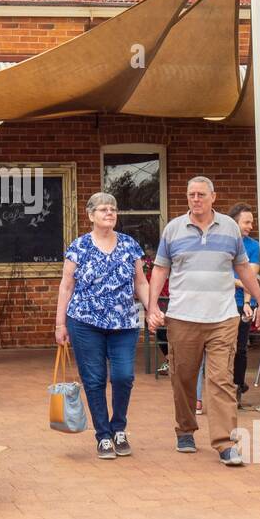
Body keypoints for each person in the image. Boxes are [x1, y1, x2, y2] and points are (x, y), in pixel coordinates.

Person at [147, 176, 260, 465]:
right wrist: (152, 306)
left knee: (222, 380)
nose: (196, 199)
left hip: (223, 317)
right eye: (191, 194)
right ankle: (185, 430)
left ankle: (225, 443)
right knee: (183, 377)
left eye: (201, 194)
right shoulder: (173, 230)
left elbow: (242, 267)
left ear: (213, 197)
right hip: (183, 317)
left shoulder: (229, 228)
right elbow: (160, 270)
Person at [55, 191, 150, 459]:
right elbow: (67, 285)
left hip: (124, 323)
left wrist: (153, 308)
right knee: (94, 378)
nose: (109, 213)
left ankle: (119, 427)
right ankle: (104, 435)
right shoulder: (79, 246)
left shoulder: (130, 245)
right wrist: (60, 323)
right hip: (85, 322)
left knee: (123, 376)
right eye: (103, 209)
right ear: (91, 216)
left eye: (113, 209)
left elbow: (141, 282)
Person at [225, 203, 260, 405]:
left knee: (240, 347)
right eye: (246, 222)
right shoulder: (222, 242)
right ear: (234, 222)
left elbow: (252, 275)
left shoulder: (254, 246)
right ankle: (223, 386)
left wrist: (241, 283)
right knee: (223, 347)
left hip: (243, 303)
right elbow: (219, 275)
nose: (250, 226)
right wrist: (242, 281)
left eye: (252, 222)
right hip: (222, 302)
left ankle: (238, 386)